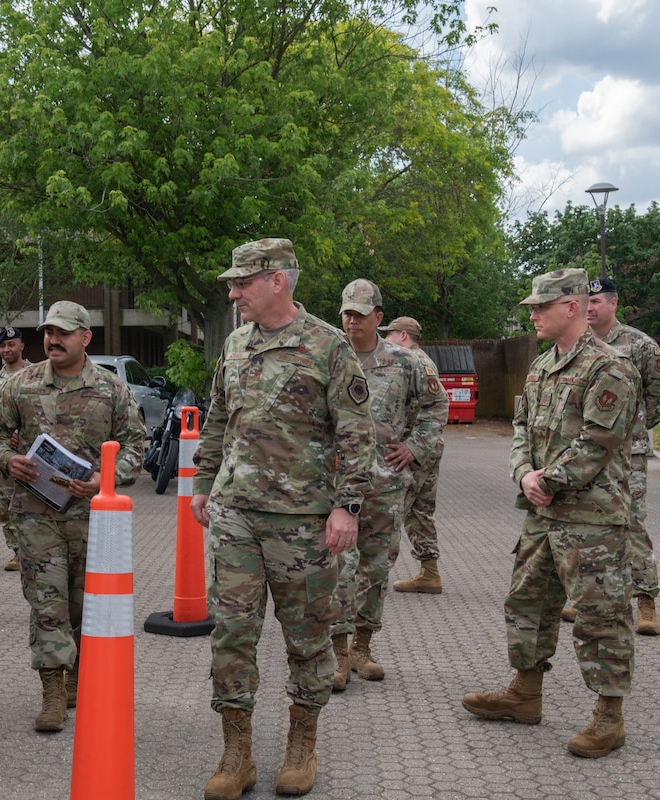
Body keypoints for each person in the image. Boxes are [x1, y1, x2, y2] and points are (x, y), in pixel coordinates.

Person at [191, 238, 375, 798]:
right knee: (231, 634)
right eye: (232, 283)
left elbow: (356, 432)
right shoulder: (237, 342)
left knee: (308, 637)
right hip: (236, 516)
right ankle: (237, 753)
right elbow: (220, 415)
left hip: (302, 522)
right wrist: (203, 483)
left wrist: (348, 507)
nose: (233, 291)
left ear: (277, 281)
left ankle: (302, 746)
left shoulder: (328, 346)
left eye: (241, 282)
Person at [462, 268, 640, 759]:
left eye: (542, 306)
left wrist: (547, 479)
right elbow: (521, 427)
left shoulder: (611, 367)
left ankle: (609, 717)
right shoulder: (542, 367)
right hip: (543, 513)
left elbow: (598, 442)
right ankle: (525, 693)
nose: (534, 314)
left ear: (573, 307)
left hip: (593, 518)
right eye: (532, 308)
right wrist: (524, 474)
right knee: (528, 602)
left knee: (600, 615)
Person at [0, 300, 144, 734]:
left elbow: (135, 447)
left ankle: (77, 680)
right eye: (49, 332)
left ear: (85, 337)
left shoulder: (111, 389)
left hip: (92, 518)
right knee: (47, 604)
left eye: (63, 333)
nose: (53, 339)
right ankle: (51, 692)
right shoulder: (20, 385)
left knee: (83, 604)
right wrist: (7, 459)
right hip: (36, 516)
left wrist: (106, 478)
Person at [330, 283, 443, 692]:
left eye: (360, 313)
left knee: (375, 567)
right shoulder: (329, 355)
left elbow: (436, 407)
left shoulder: (405, 361)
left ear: (380, 317)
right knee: (339, 565)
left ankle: (362, 646)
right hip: (338, 481)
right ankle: (337, 651)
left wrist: (414, 448)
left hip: (384, 481)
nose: (351, 320)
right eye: (346, 312)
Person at [563, 277, 660, 635]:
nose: (590, 307)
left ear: (613, 303)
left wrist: (634, 427)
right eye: (586, 301)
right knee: (587, 523)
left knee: (631, 522)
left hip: (628, 454)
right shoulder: (576, 345)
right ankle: (589, 599)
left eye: (596, 301)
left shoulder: (638, 344)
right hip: (584, 450)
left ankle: (645, 602)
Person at [381, 316, 450, 594]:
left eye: (389, 334)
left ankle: (371, 577)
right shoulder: (413, 360)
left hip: (415, 450)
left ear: (402, 335)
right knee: (420, 511)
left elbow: (438, 406)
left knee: (393, 510)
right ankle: (429, 573)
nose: (385, 339)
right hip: (421, 448)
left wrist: (413, 447)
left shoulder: (416, 362)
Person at [0, 326, 32, 572]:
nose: (7, 349)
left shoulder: (36, 376)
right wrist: (3, 438)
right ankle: (17, 551)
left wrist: (19, 435)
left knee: (32, 504)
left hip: (31, 454)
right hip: (2, 457)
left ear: (21, 346)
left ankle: (33, 550)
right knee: (4, 505)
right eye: (2, 346)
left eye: (12, 344)